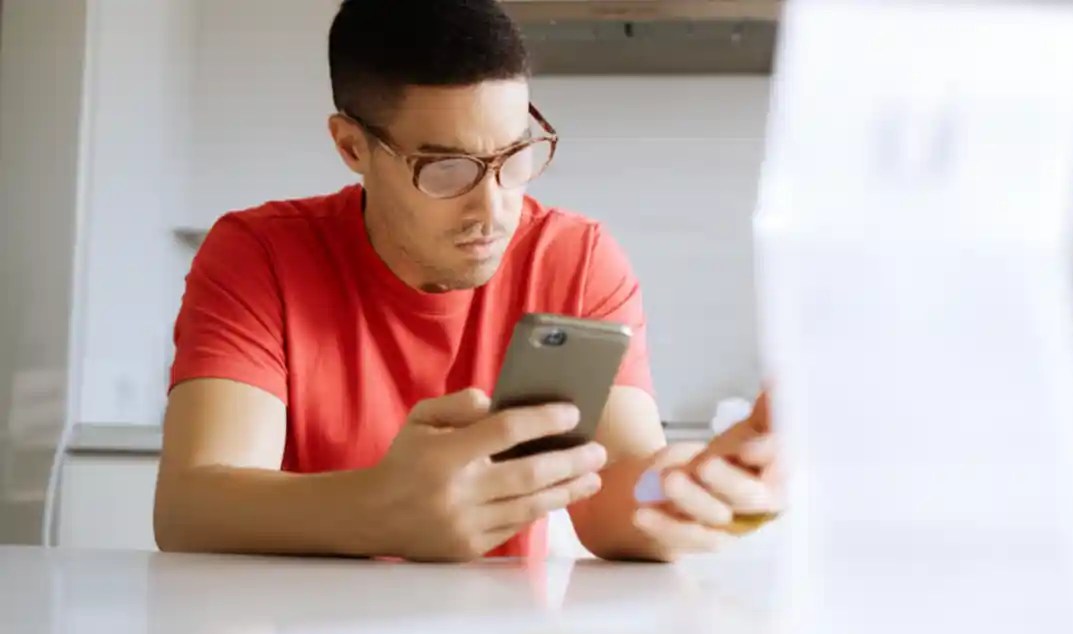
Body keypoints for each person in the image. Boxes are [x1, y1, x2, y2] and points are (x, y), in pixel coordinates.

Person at [153, 0, 779, 562]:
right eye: (447, 168)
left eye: (515, 155)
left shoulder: (575, 258)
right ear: (351, 146)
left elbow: (611, 487)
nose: (494, 208)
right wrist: (380, 512)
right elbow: (194, 504)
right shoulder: (260, 255)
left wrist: (681, 486)